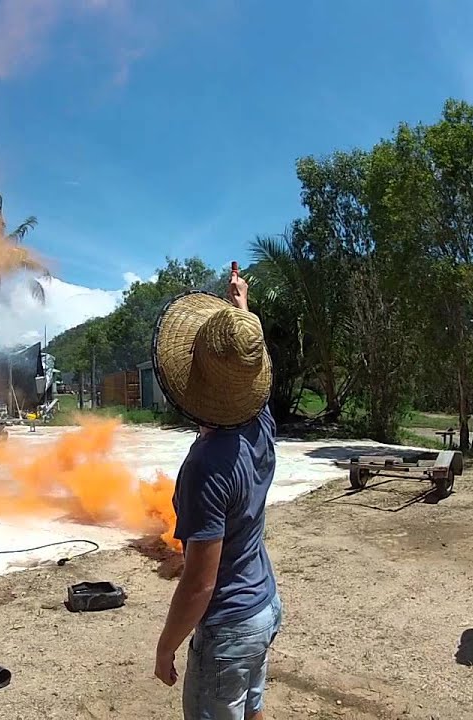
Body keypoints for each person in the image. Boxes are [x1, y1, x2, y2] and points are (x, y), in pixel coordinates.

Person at [150, 270, 282, 720]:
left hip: (228, 628)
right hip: (263, 604)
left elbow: (200, 582)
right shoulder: (260, 422)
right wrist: (241, 306)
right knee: (251, 707)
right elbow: (247, 366)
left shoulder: (206, 467)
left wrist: (166, 645)